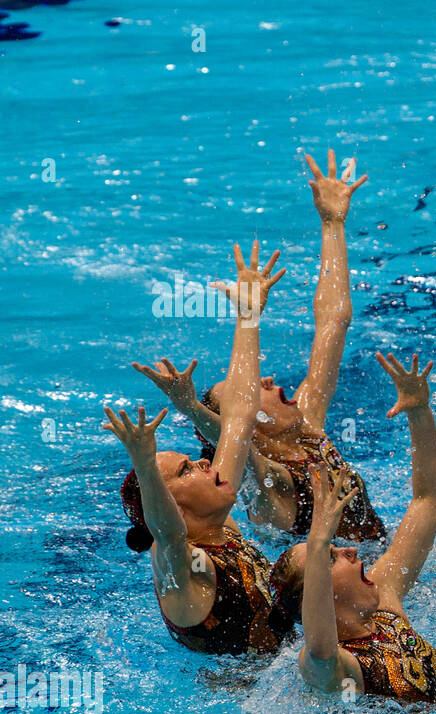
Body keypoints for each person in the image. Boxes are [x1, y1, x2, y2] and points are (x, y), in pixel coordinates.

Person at [134, 150, 384, 541]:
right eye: (250, 393)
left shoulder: (308, 426)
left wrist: (333, 223)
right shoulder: (269, 487)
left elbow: (333, 323)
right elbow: (235, 430)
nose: (265, 380)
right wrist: (193, 409)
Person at [107, 242, 289, 654]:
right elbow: (167, 533)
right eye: (187, 470)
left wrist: (248, 316)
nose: (205, 464)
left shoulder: (223, 525)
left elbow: (240, 420)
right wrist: (144, 462)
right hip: (251, 708)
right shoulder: (180, 570)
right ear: (172, 505)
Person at [270, 352, 436, 705]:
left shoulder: (386, 603)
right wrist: (317, 542)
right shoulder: (333, 669)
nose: (350, 550)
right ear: (318, 591)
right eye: (331, 557)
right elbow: (321, 649)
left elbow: (430, 501)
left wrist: (420, 412)